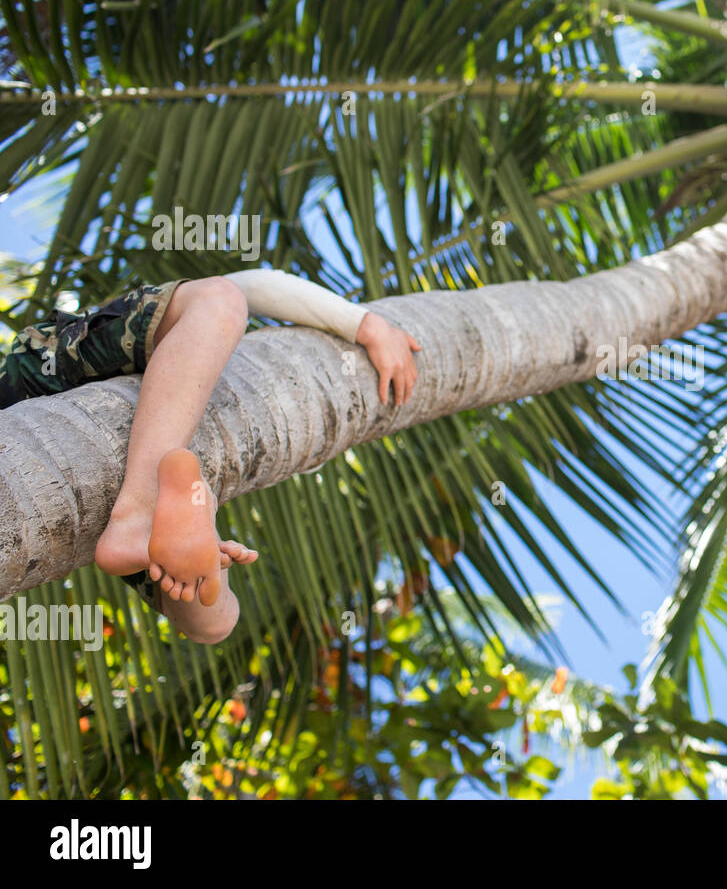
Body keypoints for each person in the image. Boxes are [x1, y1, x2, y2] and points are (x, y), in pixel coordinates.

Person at [0, 269, 421, 643]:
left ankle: (175, 543)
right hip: (37, 385)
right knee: (220, 299)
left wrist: (365, 324)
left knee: (218, 622)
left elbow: (247, 290)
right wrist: (363, 323)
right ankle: (159, 526)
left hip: (40, 392)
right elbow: (243, 290)